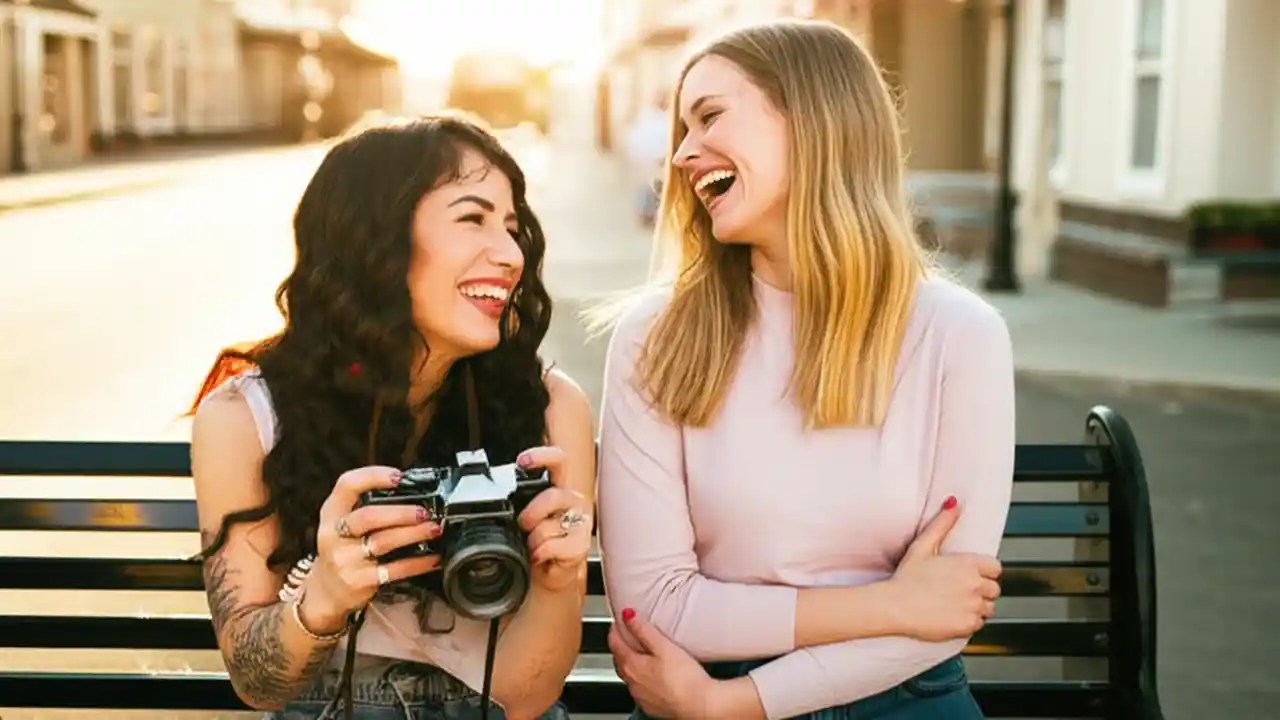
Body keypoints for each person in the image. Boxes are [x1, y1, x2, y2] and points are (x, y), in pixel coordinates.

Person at [595, 19, 1014, 720]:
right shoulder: (654, 337)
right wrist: (890, 603)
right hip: (691, 689)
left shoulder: (960, 336)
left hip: (897, 701)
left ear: (815, 121)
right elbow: (657, 606)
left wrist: (738, 704)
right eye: (682, 129)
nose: (682, 156)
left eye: (710, 117)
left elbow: (948, 609)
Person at [189, 115, 596, 720]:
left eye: (512, 227)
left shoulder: (551, 410)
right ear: (375, 239)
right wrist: (323, 596)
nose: (510, 255)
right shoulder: (244, 417)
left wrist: (560, 582)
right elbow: (257, 683)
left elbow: (526, 695)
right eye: (471, 218)